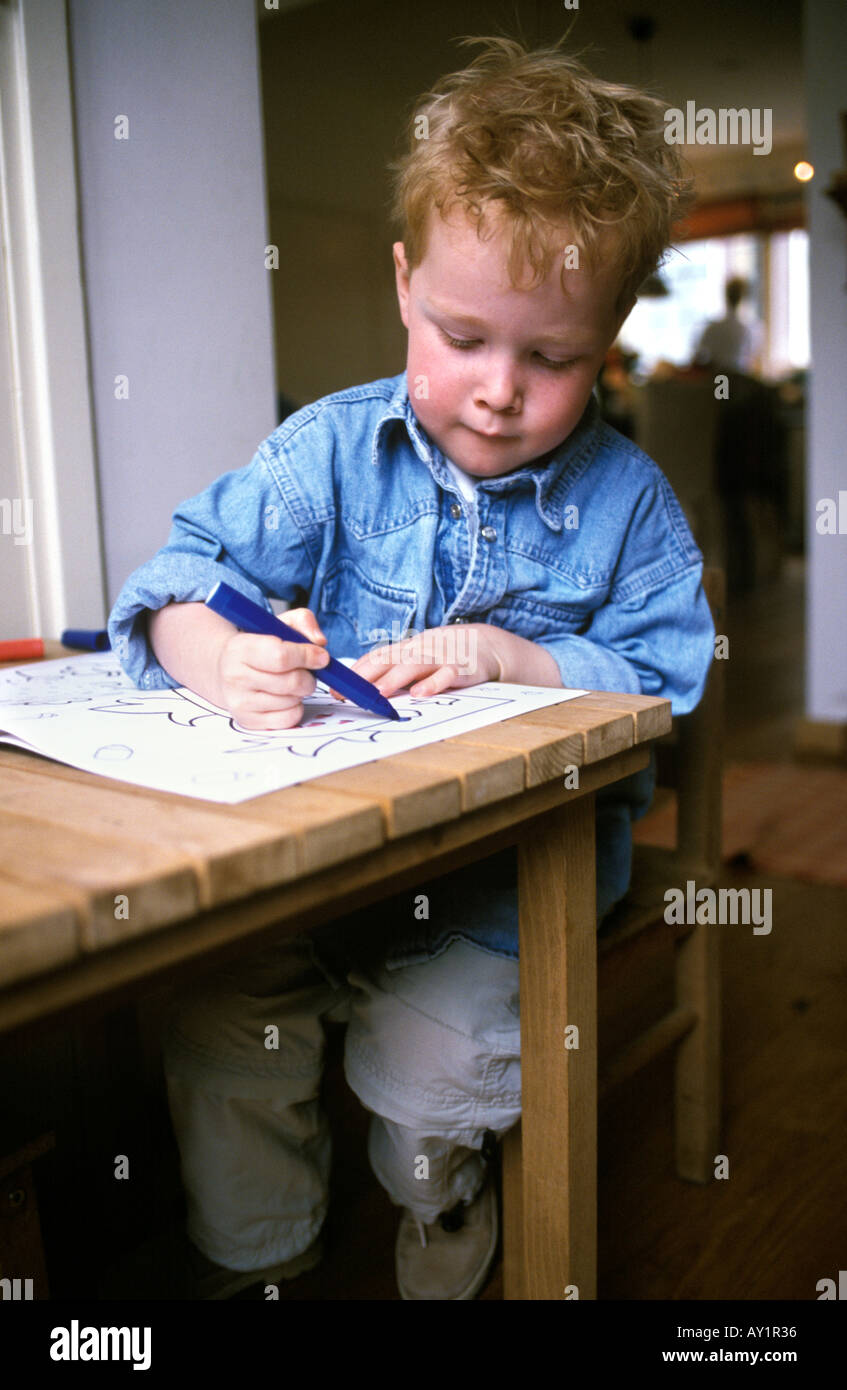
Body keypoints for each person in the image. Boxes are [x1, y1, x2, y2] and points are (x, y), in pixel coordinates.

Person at [107, 37, 715, 1301]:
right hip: (311, 871)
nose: (498, 391)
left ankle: (442, 1215)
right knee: (219, 1022)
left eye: (552, 359)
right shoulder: (324, 454)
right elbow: (172, 583)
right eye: (462, 334)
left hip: (508, 894)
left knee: (430, 1070)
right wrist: (217, 656)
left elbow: (669, 678)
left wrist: (521, 658)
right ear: (403, 285)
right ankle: (259, 1265)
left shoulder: (628, 503)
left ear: (608, 338)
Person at [693, 275, 763, 373]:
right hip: (738, 378)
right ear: (744, 297)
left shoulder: (713, 328)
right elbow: (753, 360)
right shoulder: (749, 330)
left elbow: (698, 356)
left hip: (717, 378)